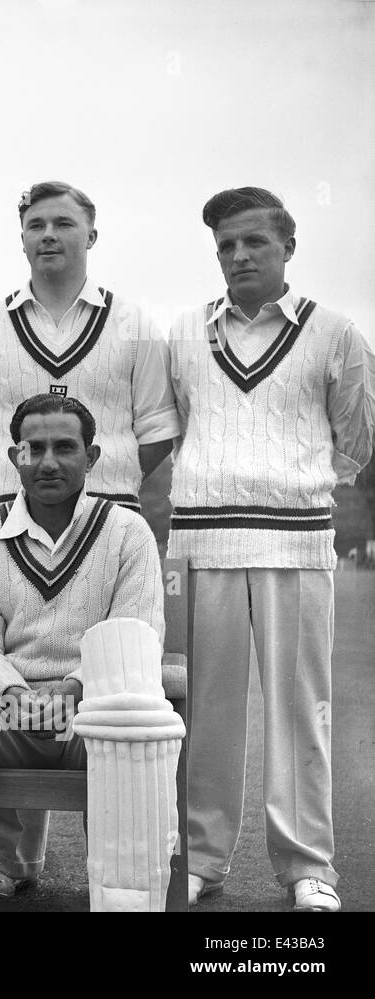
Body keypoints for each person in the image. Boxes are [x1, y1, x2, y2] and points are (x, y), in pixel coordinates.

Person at [170, 187, 375, 913]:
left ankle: (307, 865)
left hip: (294, 539)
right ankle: (201, 858)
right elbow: (184, 424)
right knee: (206, 709)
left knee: (300, 708)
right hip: (202, 539)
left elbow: (356, 439)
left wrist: (295, 486)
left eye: (254, 241)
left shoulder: (335, 332)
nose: (238, 255)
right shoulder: (184, 332)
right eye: (225, 244)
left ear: (288, 246)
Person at [0, 393, 171, 906]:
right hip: (10, 710)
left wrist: (75, 688)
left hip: (95, 710)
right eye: (32, 448)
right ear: (13, 457)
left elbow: (138, 636)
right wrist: (16, 692)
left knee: (128, 721)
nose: (47, 462)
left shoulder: (127, 532)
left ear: (91, 458)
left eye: (64, 448)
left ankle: (116, 875)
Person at [0, 182, 178, 514]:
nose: (47, 234)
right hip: (9, 519)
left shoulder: (134, 325)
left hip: (106, 518)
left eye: (63, 223)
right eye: (36, 225)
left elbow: (156, 433)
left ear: (91, 236)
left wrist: (100, 479)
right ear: (22, 240)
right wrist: (35, 477)